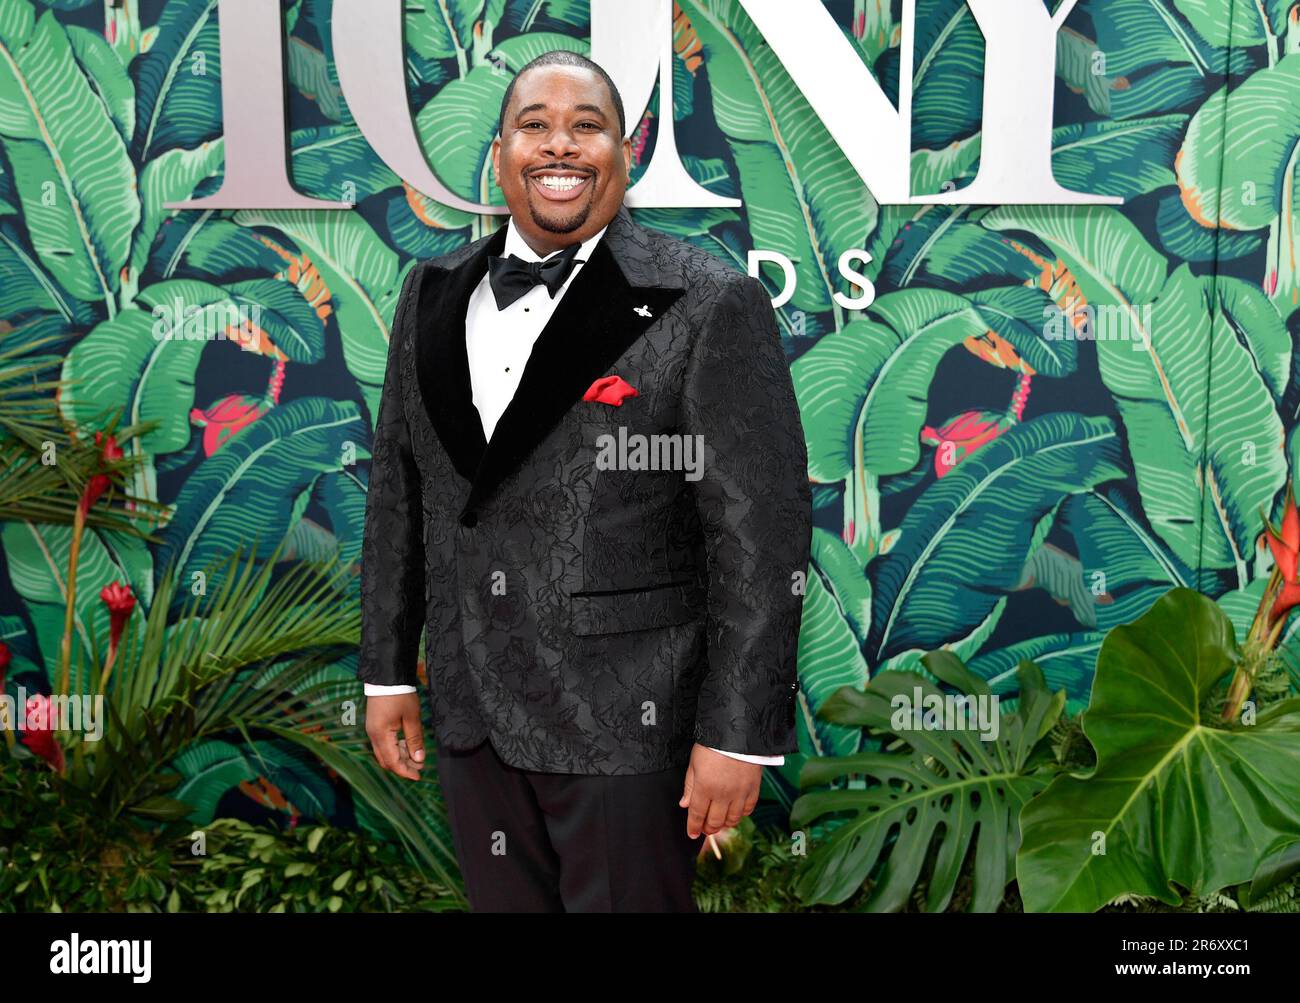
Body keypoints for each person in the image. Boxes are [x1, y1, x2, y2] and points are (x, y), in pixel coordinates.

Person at [358, 49, 811, 912]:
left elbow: (761, 530)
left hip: (626, 722)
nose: (558, 146)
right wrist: (388, 673)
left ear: (625, 153)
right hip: (472, 714)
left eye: (586, 126)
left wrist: (738, 736)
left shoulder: (705, 299)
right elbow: (398, 491)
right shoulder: (429, 293)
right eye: (534, 126)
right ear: (498, 155)